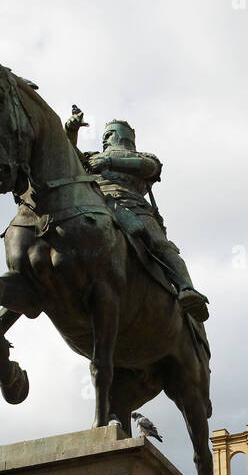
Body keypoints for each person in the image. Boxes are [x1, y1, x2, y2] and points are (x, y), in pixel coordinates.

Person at [72, 116, 209, 322]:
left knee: (160, 245)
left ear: (122, 135)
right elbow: (66, 157)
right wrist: (71, 130)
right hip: (94, 204)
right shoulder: (91, 157)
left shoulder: (143, 157)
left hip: (132, 206)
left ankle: (186, 288)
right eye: (104, 136)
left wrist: (108, 161)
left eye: (109, 134)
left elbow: (149, 167)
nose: (105, 139)